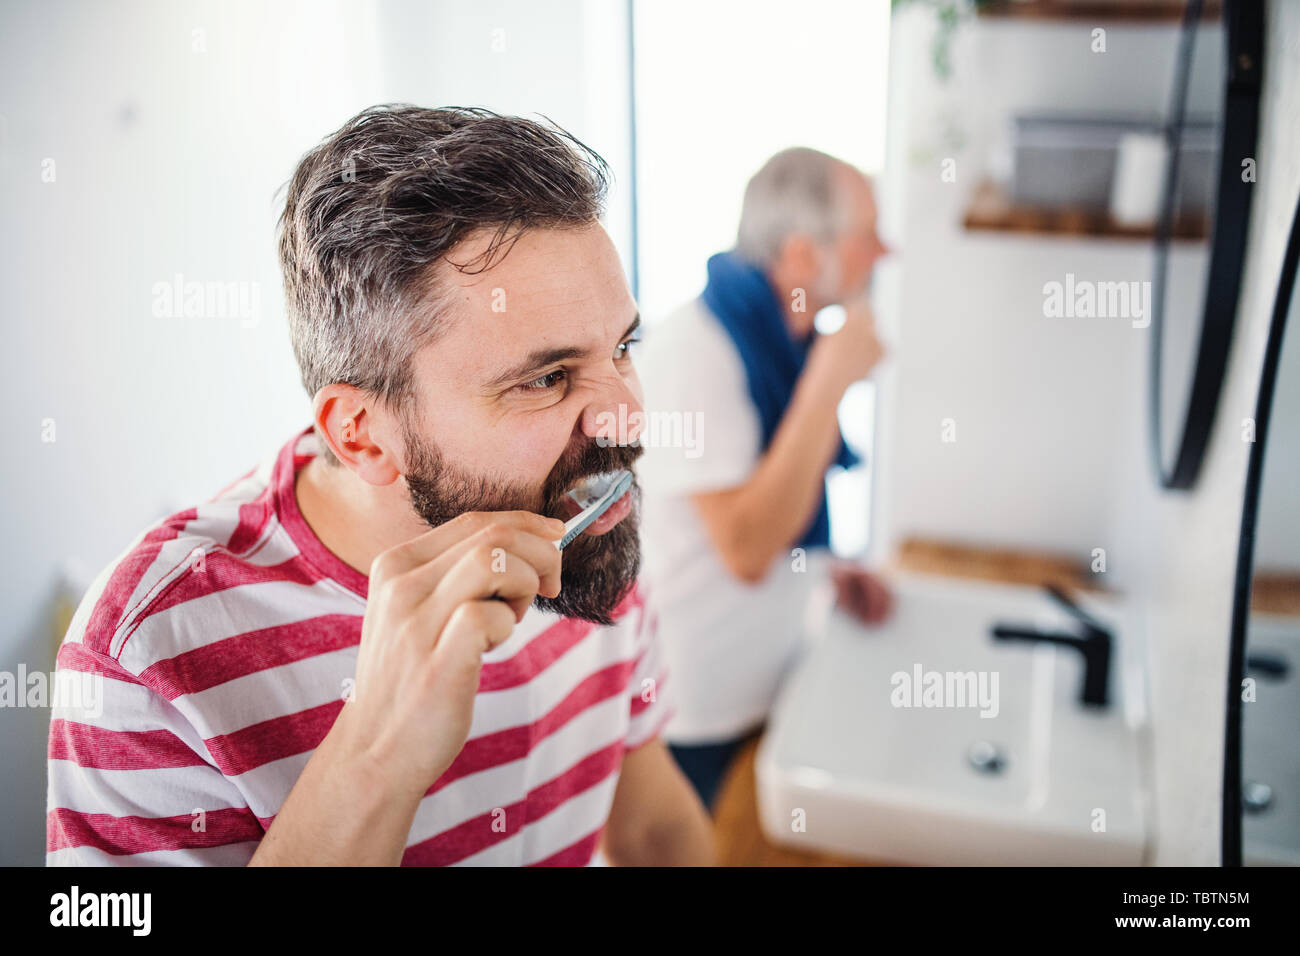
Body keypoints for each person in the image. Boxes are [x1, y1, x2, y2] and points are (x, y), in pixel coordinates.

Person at [45, 105, 715, 866]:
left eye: (623, 346)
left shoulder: (585, 522)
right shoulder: (146, 655)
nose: (628, 416)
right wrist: (377, 757)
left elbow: (655, 831)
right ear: (361, 432)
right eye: (547, 378)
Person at [635, 147, 895, 813]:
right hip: (697, 710)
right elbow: (747, 548)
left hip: (765, 682)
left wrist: (823, 566)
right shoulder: (698, 355)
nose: (884, 251)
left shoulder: (783, 338)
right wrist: (829, 383)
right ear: (806, 256)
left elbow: (774, 495)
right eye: (867, 234)